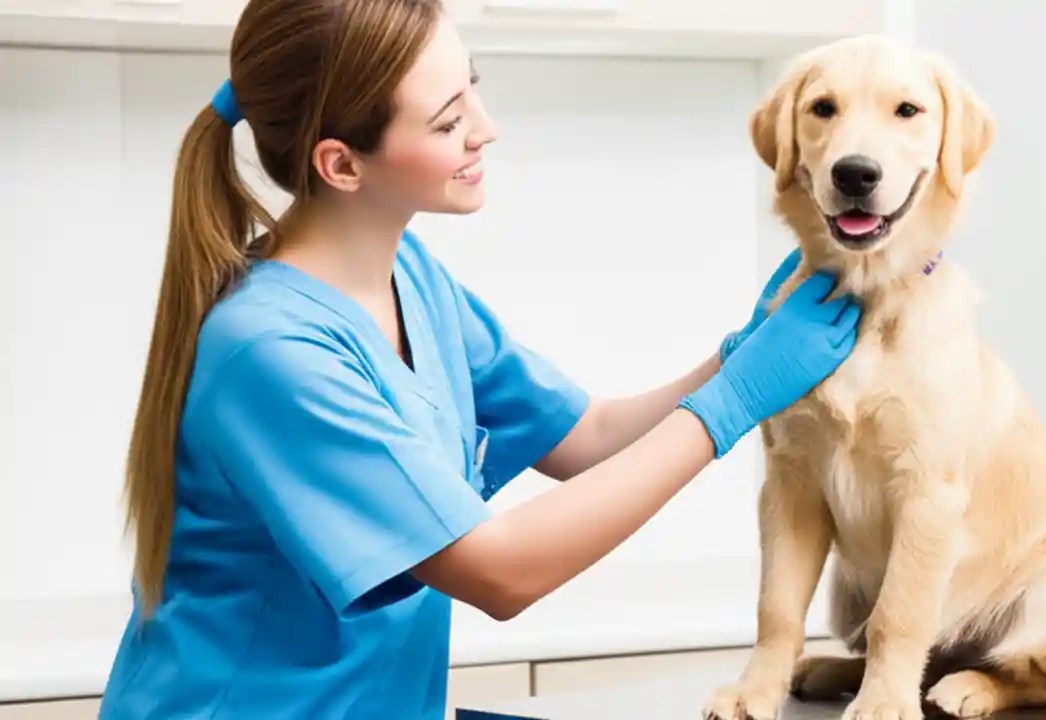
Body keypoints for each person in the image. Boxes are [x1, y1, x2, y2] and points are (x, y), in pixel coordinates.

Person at [97, 0, 861, 717]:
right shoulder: (271, 350)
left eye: (473, 90)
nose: (485, 129)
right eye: (447, 120)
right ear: (341, 164)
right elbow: (500, 571)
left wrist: (738, 356)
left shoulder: (411, 279)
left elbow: (584, 436)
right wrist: (731, 404)